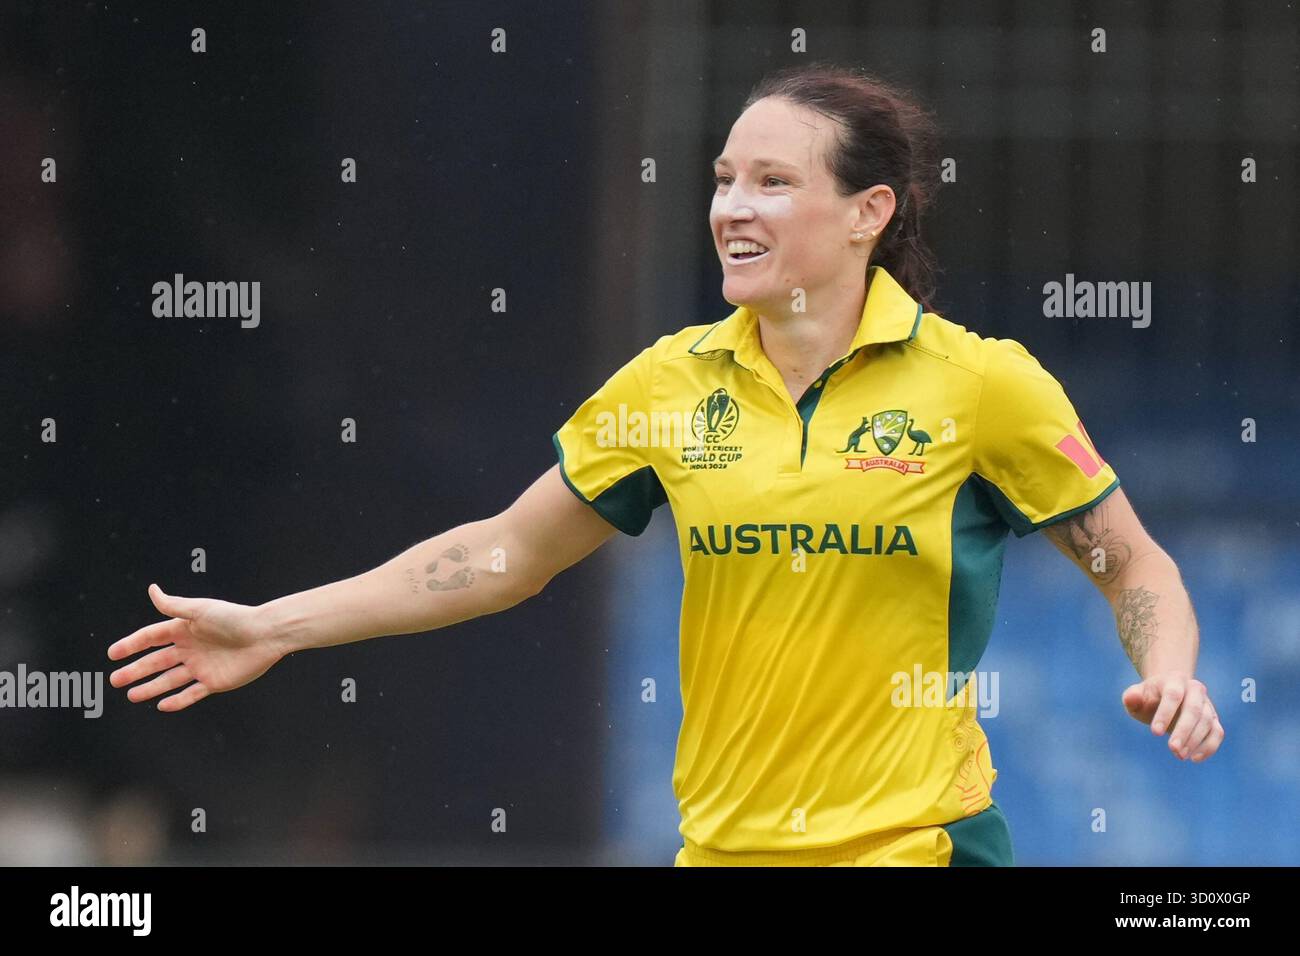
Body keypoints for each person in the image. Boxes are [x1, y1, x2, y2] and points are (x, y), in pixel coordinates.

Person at [107, 63, 1223, 867]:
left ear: (867, 213)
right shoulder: (665, 386)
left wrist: (1167, 666)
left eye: (773, 183)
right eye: (724, 178)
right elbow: (500, 555)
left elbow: (1133, 564)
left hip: (917, 846)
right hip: (718, 850)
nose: (731, 206)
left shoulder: (982, 386)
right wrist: (273, 625)